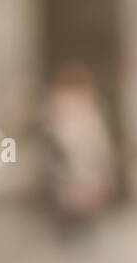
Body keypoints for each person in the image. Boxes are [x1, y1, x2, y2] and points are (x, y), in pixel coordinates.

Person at [40, 63, 116, 236]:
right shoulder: (57, 112)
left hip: (82, 181)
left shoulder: (88, 112)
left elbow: (98, 149)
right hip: (70, 182)